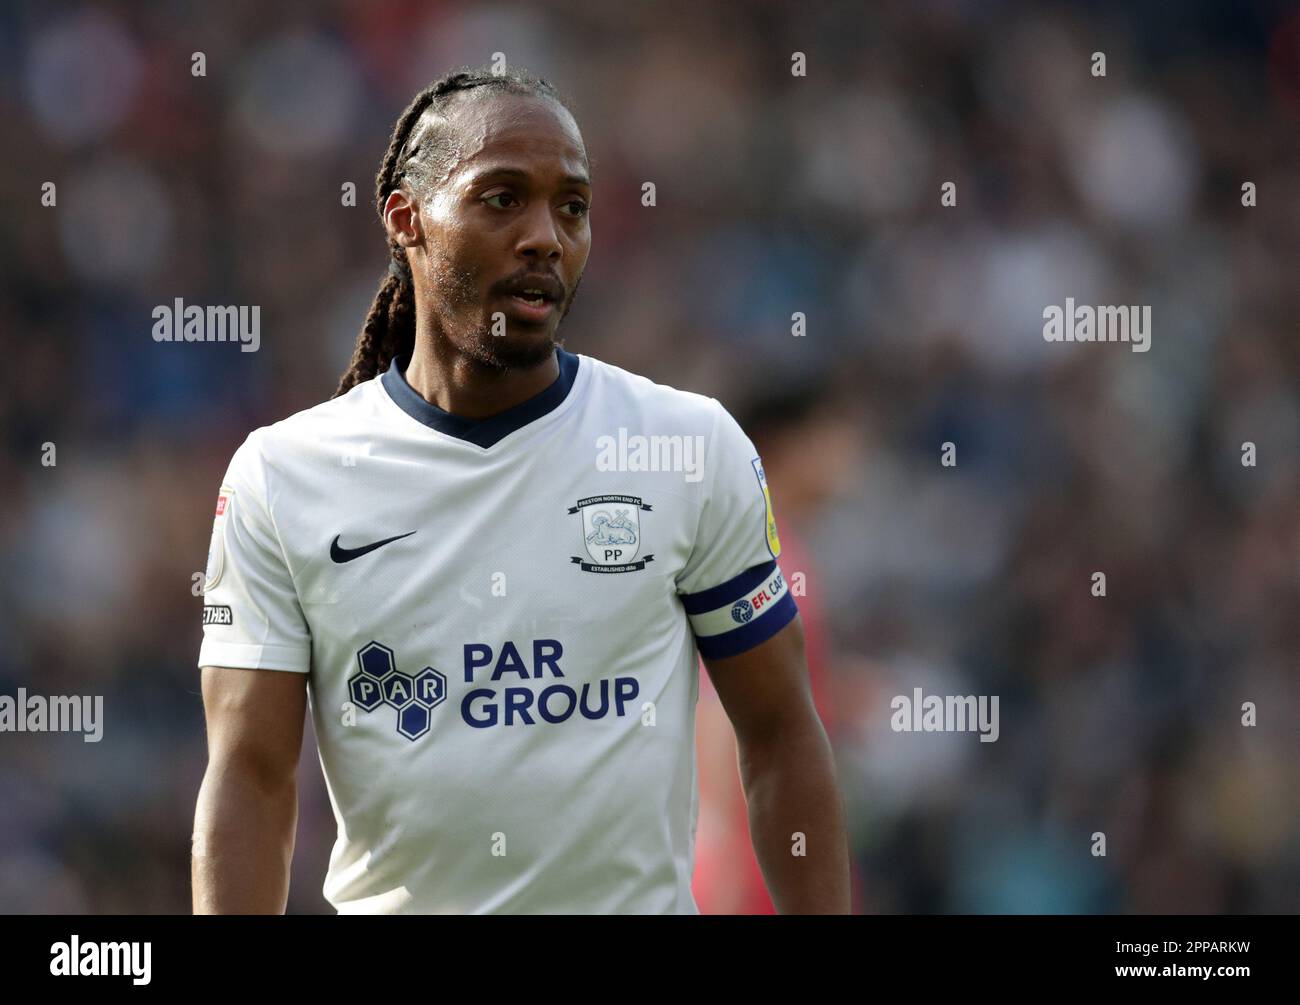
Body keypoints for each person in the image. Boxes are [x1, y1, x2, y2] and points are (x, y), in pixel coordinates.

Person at [191, 67, 848, 914]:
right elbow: (249, 776)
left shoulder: (688, 447)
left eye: (570, 206)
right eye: (502, 199)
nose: (545, 235)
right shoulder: (283, 477)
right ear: (407, 221)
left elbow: (782, 733)